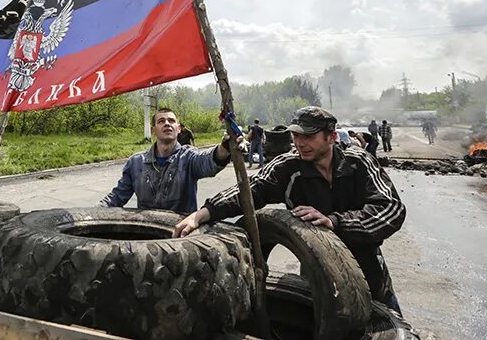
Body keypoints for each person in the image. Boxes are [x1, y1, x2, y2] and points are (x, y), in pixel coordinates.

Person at [172, 106, 406, 314]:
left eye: (308, 136)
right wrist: (202, 214)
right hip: (319, 267)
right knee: (324, 324)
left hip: (368, 267)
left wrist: (335, 222)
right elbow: (249, 190)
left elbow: (391, 209)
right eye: (295, 135)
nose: (299, 142)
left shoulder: (359, 162)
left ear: (331, 137)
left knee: (386, 322)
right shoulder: (288, 166)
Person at [99, 107, 238, 213]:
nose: (167, 124)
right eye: (161, 121)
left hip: (181, 236)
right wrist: (91, 214)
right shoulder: (136, 163)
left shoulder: (188, 157)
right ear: (154, 130)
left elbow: (208, 161)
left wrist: (225, 147)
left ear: (178, 129)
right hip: (147, 235)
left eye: (171, 121)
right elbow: (116, 197)